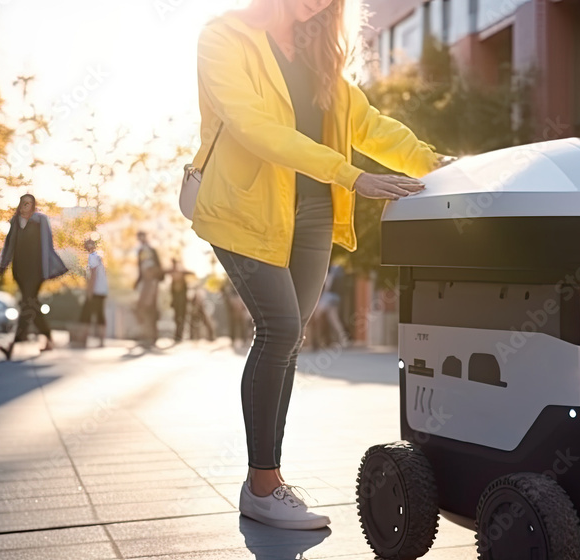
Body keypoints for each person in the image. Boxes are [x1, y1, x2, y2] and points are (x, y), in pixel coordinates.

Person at [189, 0, 455, 530]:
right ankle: (263, 485)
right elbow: (253, 126)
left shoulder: (319, 54)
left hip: (312, 213)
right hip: (244, 210)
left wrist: (441, 165)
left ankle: (265, 482)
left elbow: (369, 126)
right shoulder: (223, 37)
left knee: (288, 340)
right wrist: (351, 175)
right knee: (280, 328)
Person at [0, 194, 68, 360]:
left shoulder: (40, 220)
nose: (26, 206)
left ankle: (13, 345)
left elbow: (48, 245)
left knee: (27, 303)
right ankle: (48, 338)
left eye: (29, 203)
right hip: (19, 271)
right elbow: (9, 245)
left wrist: (50, 268)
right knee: (31, 304)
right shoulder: (15, 221)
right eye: (23, 203)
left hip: (36, 271)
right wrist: (2, 265)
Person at [133, 231, 163, 347]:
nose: (141, 239)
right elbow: (141, 268)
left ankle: (152, 336)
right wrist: (138, 281)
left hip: (152, 281)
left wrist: (155, 279)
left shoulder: (151, 250)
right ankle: (146, 334)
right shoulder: (141, 251)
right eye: (139, 237)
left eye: (142, 237)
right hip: (146, 281)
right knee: (143, 307)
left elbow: (157, 266)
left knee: (150, 307)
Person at [79, 238, 108, 347]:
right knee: (100, 315)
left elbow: (93, 275)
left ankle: (83, 340)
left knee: (86, 315)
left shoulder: (92, 257)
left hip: (95, 290)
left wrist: (89, 291)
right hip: (102, 290)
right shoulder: (99, 256)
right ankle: (101, 341)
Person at [164, 258, 195, 343]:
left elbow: (191, 273)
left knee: (182, 316)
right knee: (177, 317)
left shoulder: (182, 272)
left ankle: (181, 335)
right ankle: (178, 335)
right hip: (175, 299)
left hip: (183, 299)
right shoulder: (172, 272)